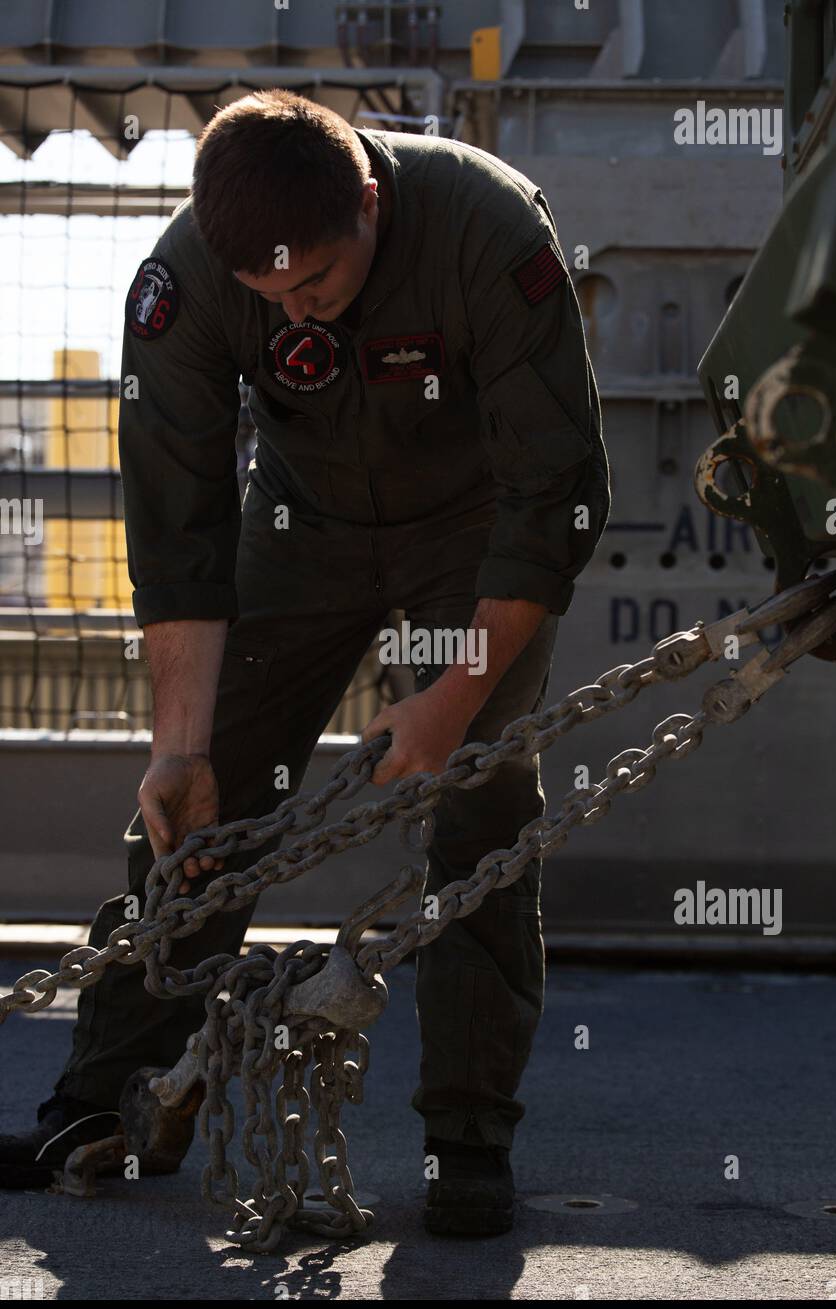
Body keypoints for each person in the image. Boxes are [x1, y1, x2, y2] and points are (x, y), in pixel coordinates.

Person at [0, 90, 610, 1237]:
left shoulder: (488, 232)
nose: (293, 311)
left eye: (314, 287)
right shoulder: (185, 283)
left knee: (476, 804)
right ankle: (106, 1106)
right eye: (267, 299)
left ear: (369, 207)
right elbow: (179, 534)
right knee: (199, 810)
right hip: (301, 526)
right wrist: (178, 748)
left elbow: (555, 498)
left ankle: (464, 1141)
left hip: (471, 537)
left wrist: (447, 700)